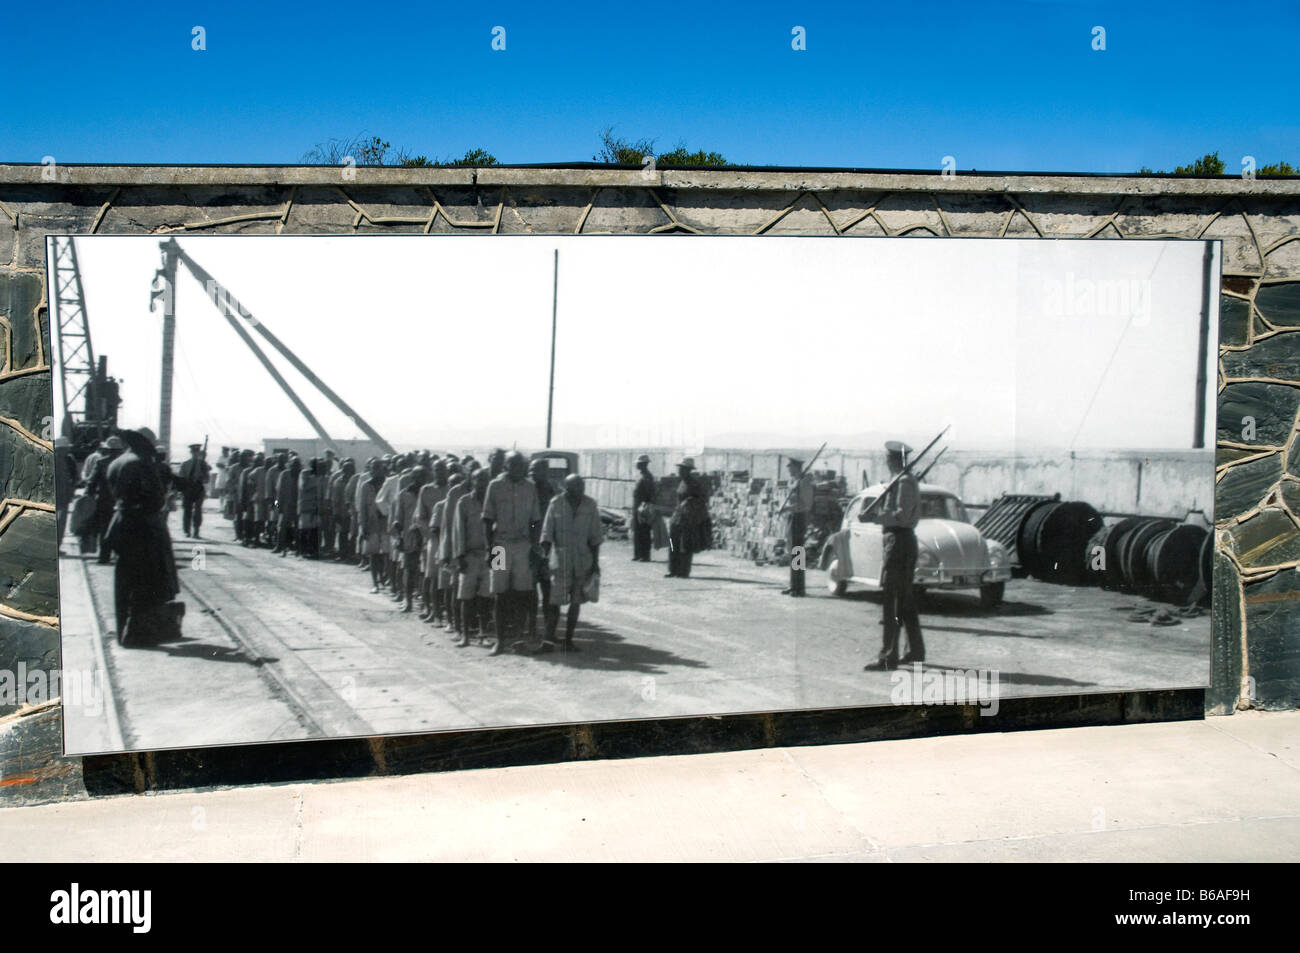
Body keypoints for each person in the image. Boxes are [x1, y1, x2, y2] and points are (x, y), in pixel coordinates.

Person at [104, 427, 181, 644]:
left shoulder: (117, 462)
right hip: (143, 528)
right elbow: (156, 500)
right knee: (145, 582)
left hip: (121, 524)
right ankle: (136, 632)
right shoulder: (141, 463)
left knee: (124, 580)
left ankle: (122, 631)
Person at [865, 441, 925, 671]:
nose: (886, 461)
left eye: (887, 458)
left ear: (891, 460)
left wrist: (875, 518)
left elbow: (900, 516)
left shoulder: (904, 482)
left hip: (899, 541)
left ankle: (888, 656)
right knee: (905, 600)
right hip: (898, 541)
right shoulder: (901, 480)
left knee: (893, 601)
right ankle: (915, 651)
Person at [484, 451, 542, 650]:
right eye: (513, 464)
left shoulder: (530, 487)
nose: (518, 468)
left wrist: (535, 546)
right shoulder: (495, 486)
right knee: (500, 593)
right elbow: (487, 519)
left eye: (521, 464)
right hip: (499, 545)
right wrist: (488, 547)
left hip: (523, 546)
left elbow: (535, 521)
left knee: (522, 593)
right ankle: (500, 641)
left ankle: (518, 638)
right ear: (506, 466)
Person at [540, 474, 602, 652]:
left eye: (582, 486)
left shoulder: (590, 505)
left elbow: (595, 538)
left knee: (576, 602)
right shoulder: (555, 504)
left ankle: (569, 640)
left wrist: (595, 563)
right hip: (560, 559)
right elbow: (546, 535)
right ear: (566, 487)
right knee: (554, 602)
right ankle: (548, 641)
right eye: (576, 486)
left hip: (582, 560)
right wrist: (545, 559)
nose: (580, 490)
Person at [452, 468, 493, 650]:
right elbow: (458, 531)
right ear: (472, 481)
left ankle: (484, 633)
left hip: (494, 553)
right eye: (478, 479)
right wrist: (459, 556)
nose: (482, 483)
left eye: (485, 479)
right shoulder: (464, 502)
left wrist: (498, 558)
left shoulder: (495, 501)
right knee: (466, 597)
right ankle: (465, 634)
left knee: (489, 596)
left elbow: (498, 530)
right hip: (469, 554)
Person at [667, 457, 709, 579]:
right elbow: (678, 500)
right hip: (677, 517)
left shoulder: (695, 484)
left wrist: (690, 501)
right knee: (672, 543)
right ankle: (673, 569)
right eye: (679, 468)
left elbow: (702, 499)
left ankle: (683, 571)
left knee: (685, 545)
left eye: (683, 469)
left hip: (688, 519)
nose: (680, 471)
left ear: (688, 470)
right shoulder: (681, 483)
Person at [393, 466, 428, 612]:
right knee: (409, 569)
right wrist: (399, 538)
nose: (421, 479)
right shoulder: (404, 494)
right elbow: (398, 519)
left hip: (427, 538)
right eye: (418, 476)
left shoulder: (430, 492)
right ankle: (408, 599)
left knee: (426, 573)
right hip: (410, 538)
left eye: (423, 476)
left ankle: (426, 603)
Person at [779, 456, 814, 596]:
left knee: (798, 552)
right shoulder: (794, 482)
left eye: (790, 467)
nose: (788, 469)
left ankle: (799, 587)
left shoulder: (805, 483)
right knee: (792, 552)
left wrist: (788, 508)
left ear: (796, 468)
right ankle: (793, 584)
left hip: (799, 518)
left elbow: (806, 505)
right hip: (792, 518)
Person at [632, 454, 656, 562]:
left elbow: (650, 493)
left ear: (644, 464)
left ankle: (645, 555)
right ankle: (638, 553)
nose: (637, 465)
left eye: (639, 463)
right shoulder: (641, 476)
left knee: (644, 531)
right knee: (637, 530)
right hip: (637, 506)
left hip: (643, 507)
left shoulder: (647, 477)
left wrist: (647, 506)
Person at [298, 457, 323, 558]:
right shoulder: (305, 473)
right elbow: (303, 487)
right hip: (306, 506)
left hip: (317, 506)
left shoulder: (321, 475)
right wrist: (315, 479)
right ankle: (303, 550)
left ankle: (314, 550)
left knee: (315, 530)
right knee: (305, 529)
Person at [275, 456, 301, 555]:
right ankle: (279, 546)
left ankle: (297, 547)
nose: (295, 466)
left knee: (298, 527)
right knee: (281, 526)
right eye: (294, 464)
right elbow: (278, 492)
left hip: (298, 505)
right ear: (290, 464)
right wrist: (277, 506)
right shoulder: (284, 474)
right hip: (286, 505)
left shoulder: (302, 474)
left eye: (297, 464)